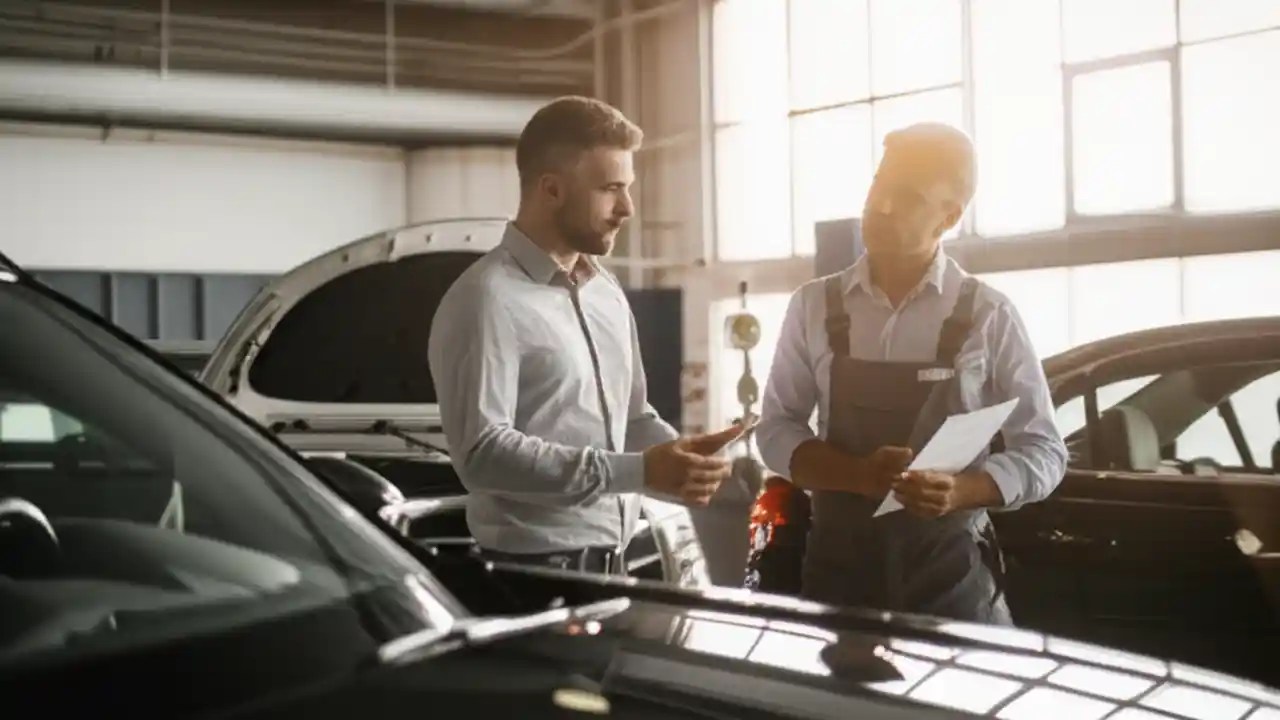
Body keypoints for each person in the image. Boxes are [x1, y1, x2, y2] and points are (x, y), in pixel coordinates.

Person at [755, 122, 1067, 624]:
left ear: (949, 217)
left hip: (952, 586)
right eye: (878, 185)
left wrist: (961, 491)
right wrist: (858, 476)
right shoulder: (813, 306)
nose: (880, 206)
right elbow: (775, 429)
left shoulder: (988, 315)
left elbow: (1045, 451)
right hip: (838, 586)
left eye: (907, 197)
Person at [428, 96, 746, 576]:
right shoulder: (485, 298)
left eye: (627, 188)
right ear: (552, 189)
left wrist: (681, 458)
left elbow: (632, 419)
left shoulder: (606, 292)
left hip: (618, 566)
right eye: (610, 189)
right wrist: (642, 471)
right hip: (532, 576)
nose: (627, 208)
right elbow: (482, 454)